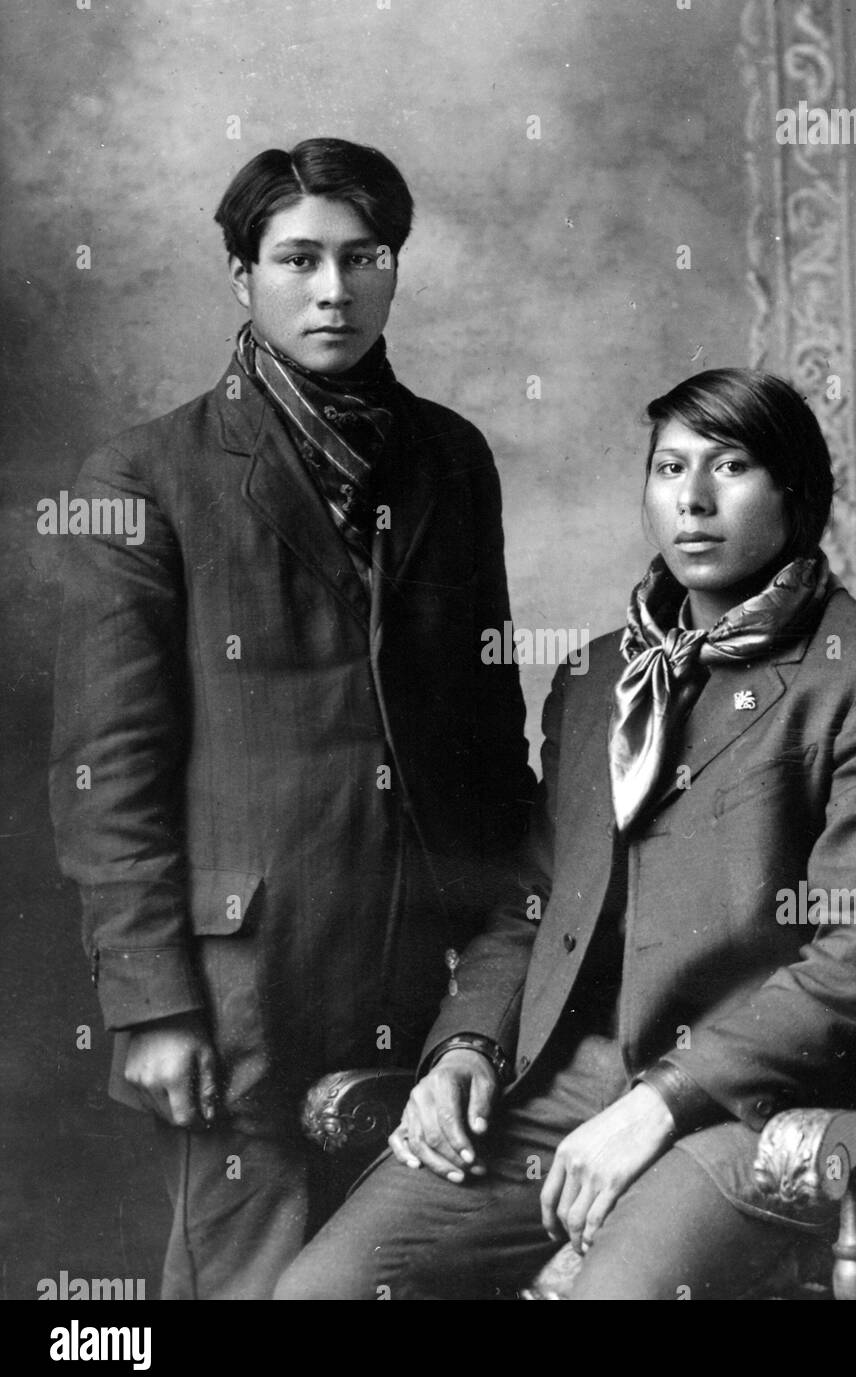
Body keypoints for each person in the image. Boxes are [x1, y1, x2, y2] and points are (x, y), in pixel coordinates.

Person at [275, 367, 856, 1301]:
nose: (694, 499)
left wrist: (661, 1100)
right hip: (563, 1084)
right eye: (669, 469)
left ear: (796, 496)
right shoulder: (598, 679)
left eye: (732, 467)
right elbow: (529, 907)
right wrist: (466, 1047)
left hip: (752, 1104)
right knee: (319, 1294)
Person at [49, 137, 534, 1299]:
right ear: (241, 278)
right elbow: (106, 769)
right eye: (297, 258)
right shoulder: (141, 477)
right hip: (242, 989)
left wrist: (499, 968)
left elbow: (483, 728)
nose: (333, 289)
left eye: (362, 256)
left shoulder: (450, 459)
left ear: (395, 268)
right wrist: (152, 1001)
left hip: (425, 974)